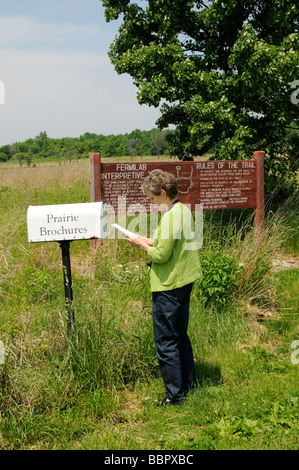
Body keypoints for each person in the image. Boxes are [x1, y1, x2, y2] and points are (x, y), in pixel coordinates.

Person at [126, 169, 202, 405]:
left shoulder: (170, 216)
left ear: (162, 192)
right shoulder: (182, 209)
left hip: (169, 285)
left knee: (166, 341)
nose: (150, 202)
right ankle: (189, 385)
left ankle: (175, 396)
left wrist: (141, 244)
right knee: (180, 336)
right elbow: (169, 242)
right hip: (184, 280)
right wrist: (143, 238)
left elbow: (160, 255)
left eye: (152, 197)